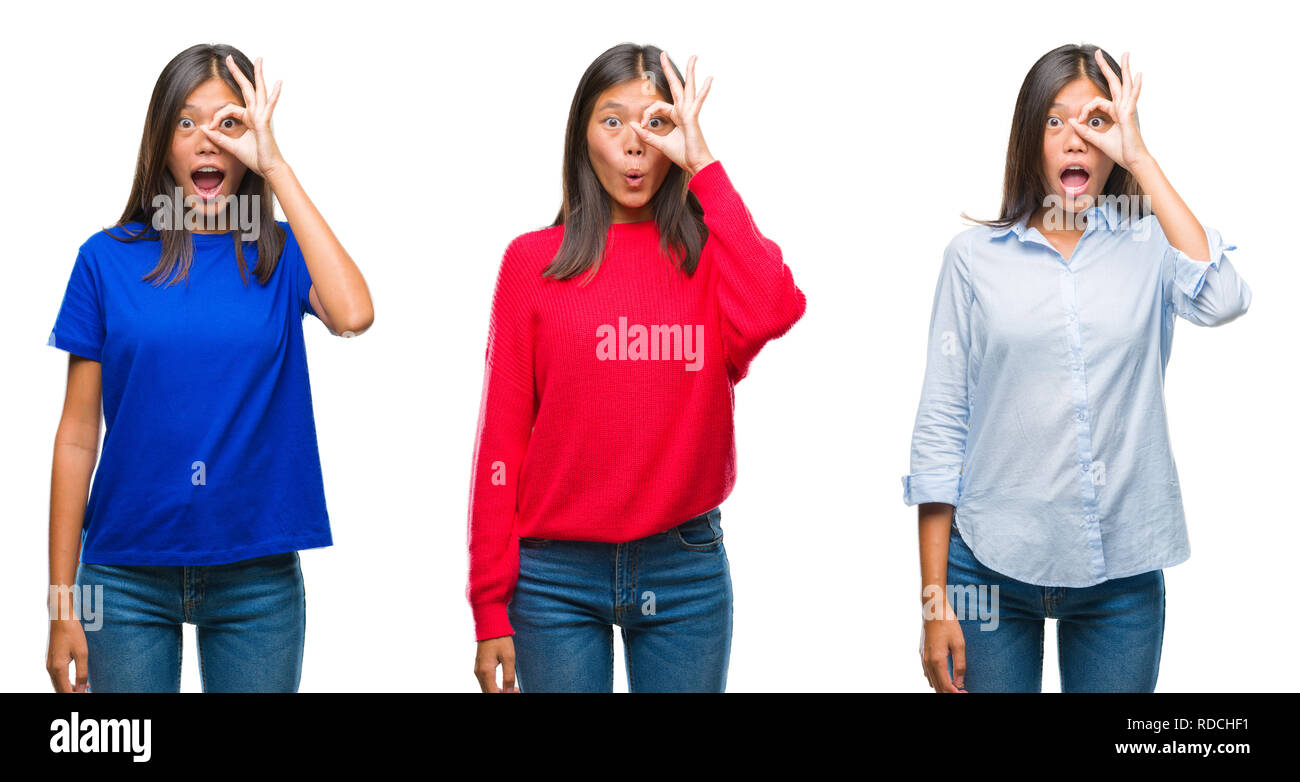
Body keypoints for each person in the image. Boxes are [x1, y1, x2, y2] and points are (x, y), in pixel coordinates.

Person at [905, 44, 1251, 693]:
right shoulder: (973, 259)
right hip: (989, 573)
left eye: (1095, 122)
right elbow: (940, 429)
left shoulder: (1151, 242)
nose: (1075, 140)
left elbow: (1224, 296)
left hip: (1122, 578)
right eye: (1055, 121)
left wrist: (1142, 158)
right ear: (1030, 138)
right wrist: (934, 604)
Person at [468, 43, 805, 692]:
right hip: (552, 579)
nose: (633, 143)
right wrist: (489, 607)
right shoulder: (531, 264)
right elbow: (500, 446)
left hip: (684, 568)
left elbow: (775, 307)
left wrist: (703, 163)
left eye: (655, 122)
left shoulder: (711, 262)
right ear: (582, 137)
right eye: (612, 120)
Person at [44, 43, 374, 693]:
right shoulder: (105, 260)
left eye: (229, 123)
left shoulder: (280, 252)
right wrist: (61, 609)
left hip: (257, 578)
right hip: (124, 576)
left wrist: (275, 166)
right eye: (186, 122)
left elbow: (354, 313)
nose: (205, 142)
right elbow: (77, 438)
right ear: (161, 139)